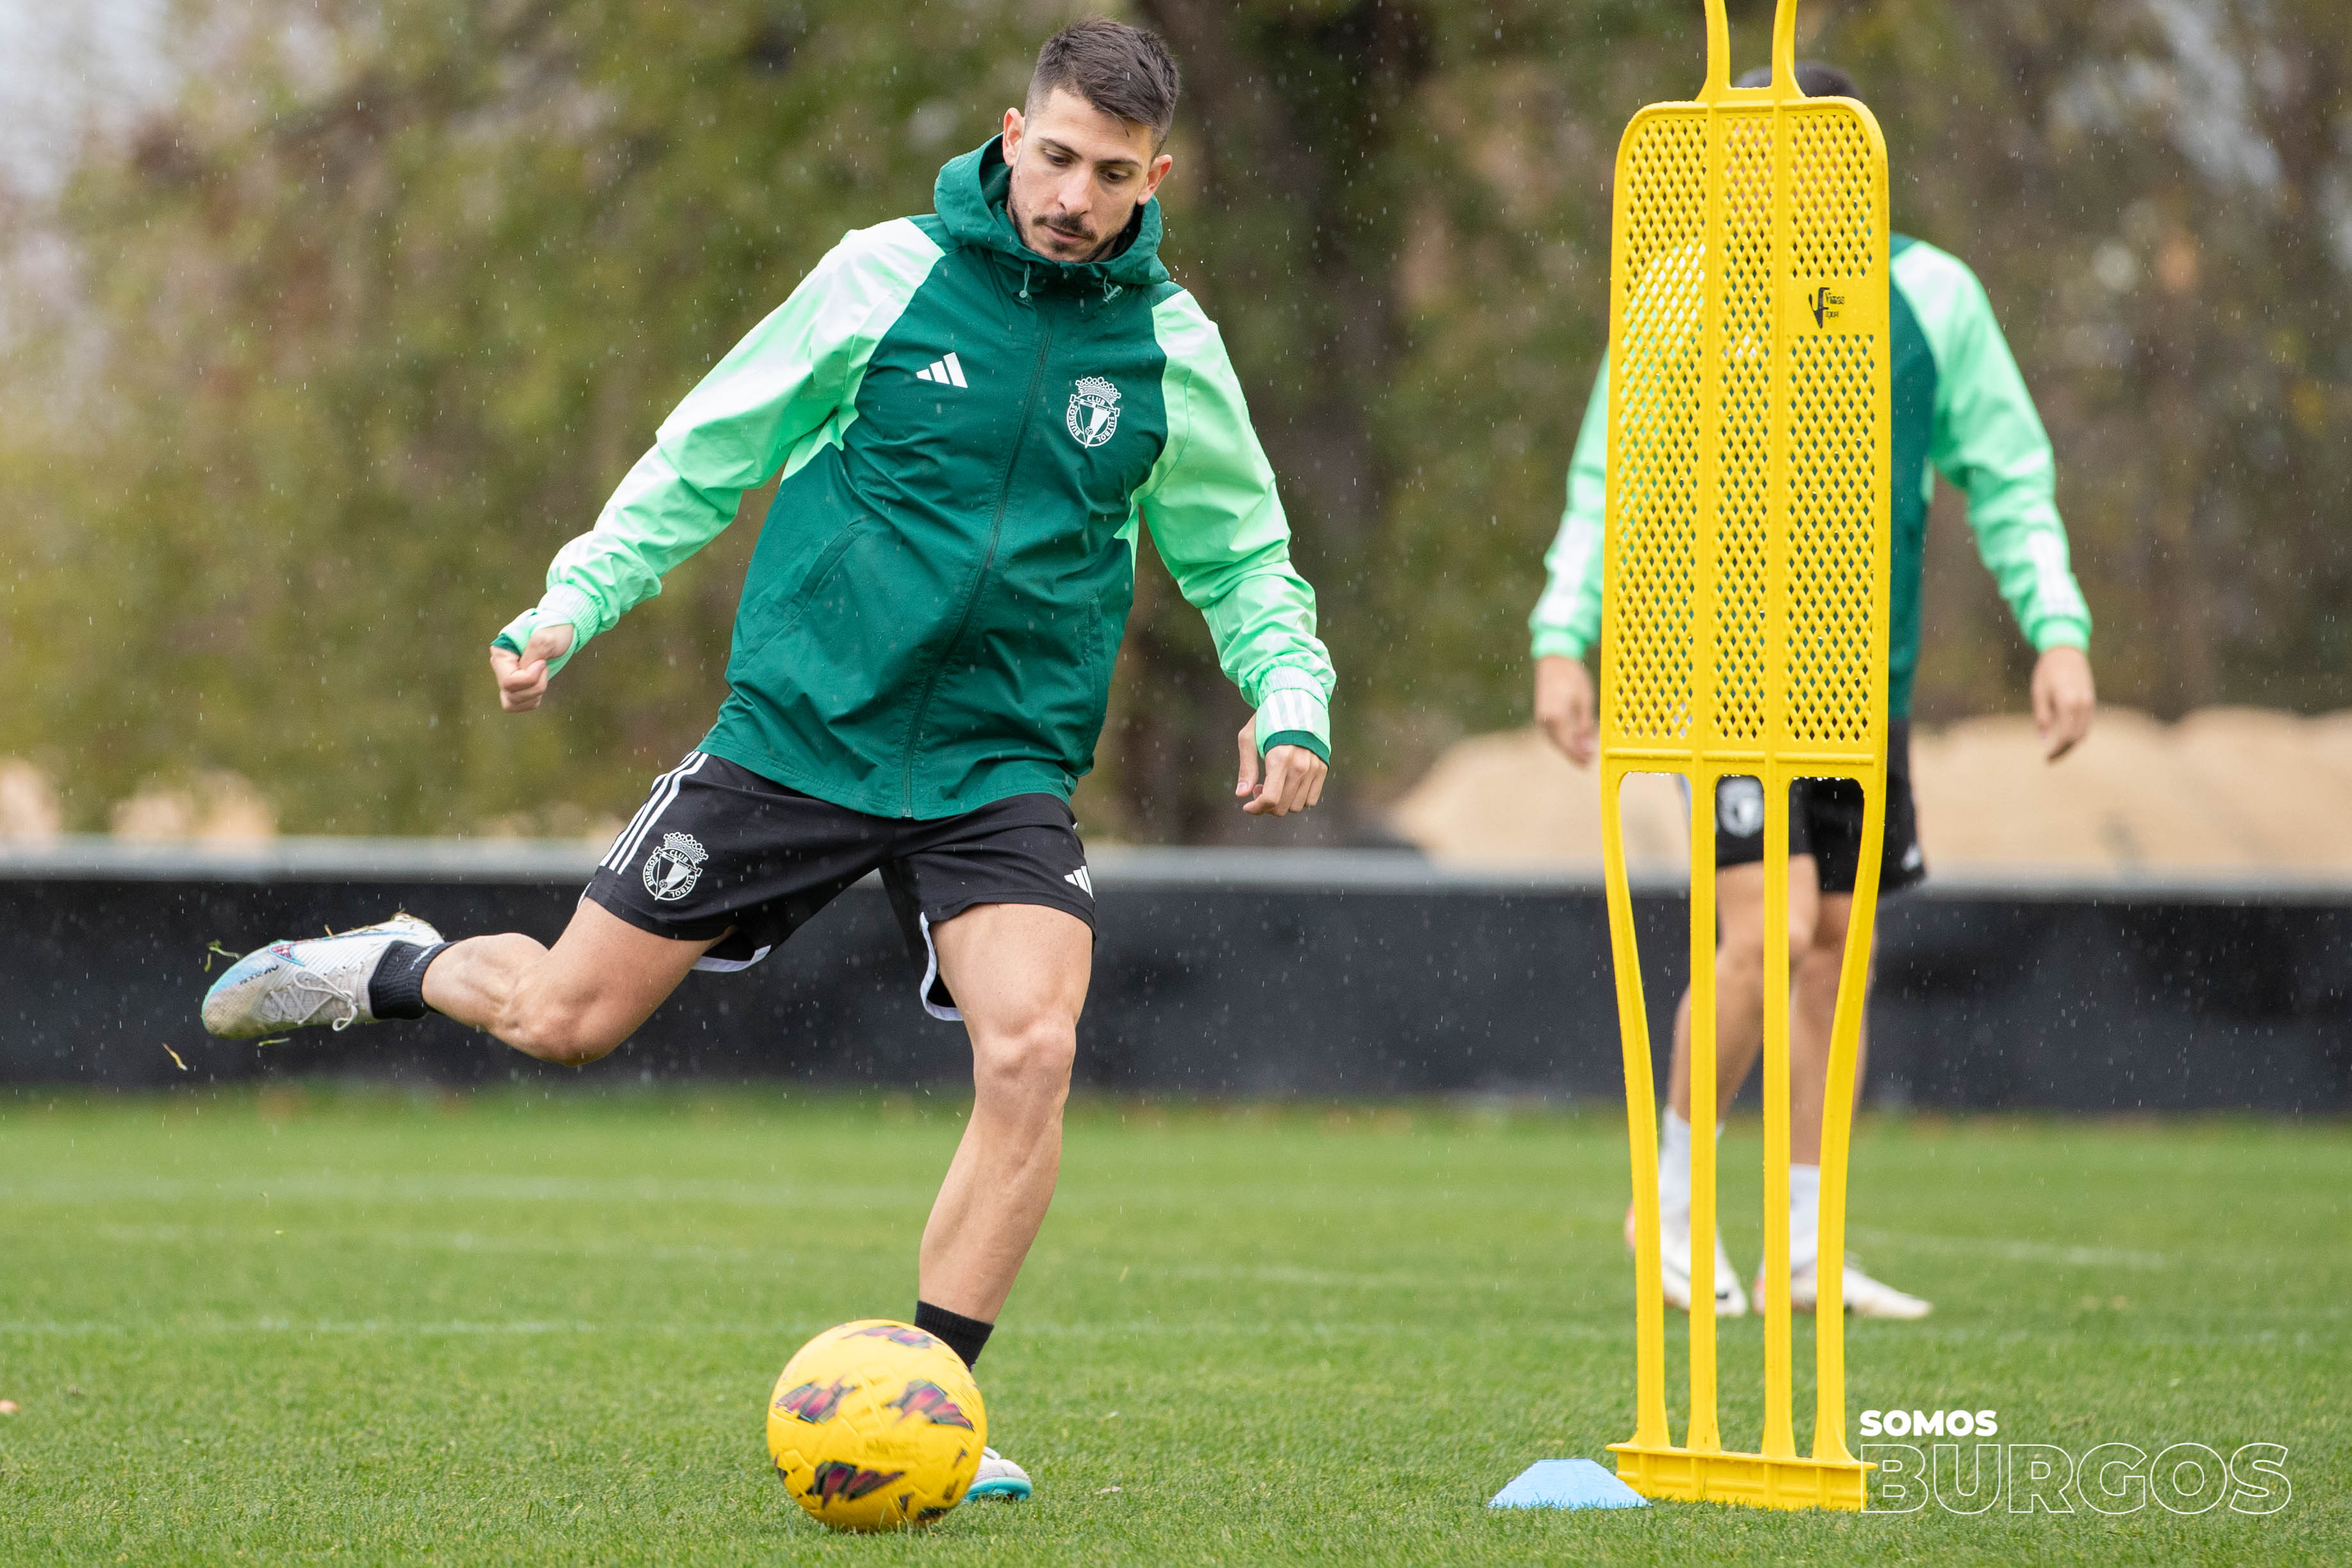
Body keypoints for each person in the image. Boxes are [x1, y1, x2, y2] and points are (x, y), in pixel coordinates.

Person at [202, 19, 1334, 1499]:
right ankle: (397, 965)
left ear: (1152, 177)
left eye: (1108, 173)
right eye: (1053, 156)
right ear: (1010, 133)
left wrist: (1288, 693)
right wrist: (572, 603)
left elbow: (1244, 554)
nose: (1070, 193)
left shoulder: (1167, 351)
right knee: (561, 1019)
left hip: (997, 765)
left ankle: (934, 1403)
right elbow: (705, 453)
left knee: (1032, 1046)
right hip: (800, 732)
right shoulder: (880, 277)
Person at [1529, 61, 2095, 1321]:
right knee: (1764, 934)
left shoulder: (1928, 294)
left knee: (1832, 956)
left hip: (1863, 679)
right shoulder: (1681, 289)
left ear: (1843, 164)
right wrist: (1563, 635)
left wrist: (2053, 629)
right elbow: (1606, 471)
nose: (1745, 181)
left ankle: (1796, 1243)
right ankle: (1667, 1211)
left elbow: (2003, 471)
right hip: (1723, 671)